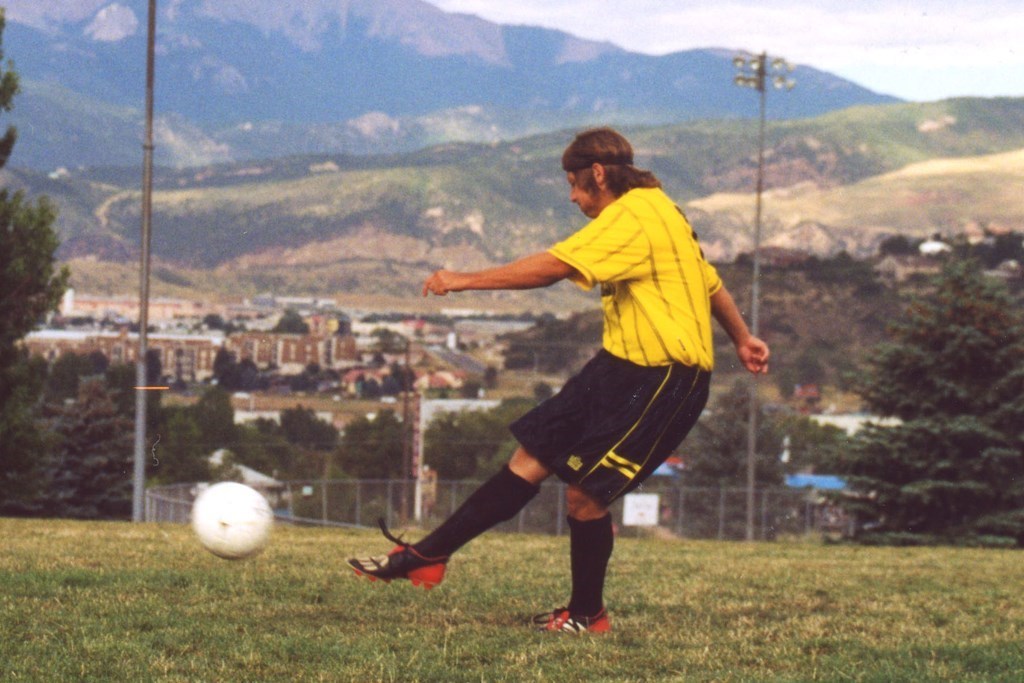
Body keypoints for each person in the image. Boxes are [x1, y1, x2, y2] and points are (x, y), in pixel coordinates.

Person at [348, 127, 770, 634]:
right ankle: (427, 555)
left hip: (664, 378)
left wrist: (463, 279)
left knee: (585, 495)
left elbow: (551, 268)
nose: (572, 196)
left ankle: (588, 616)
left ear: (597, 173)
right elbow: (711, 282)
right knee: (529, 460)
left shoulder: (631, 215)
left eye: (574, 183)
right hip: (618, 367)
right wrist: (743, 336)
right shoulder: (662, 207)